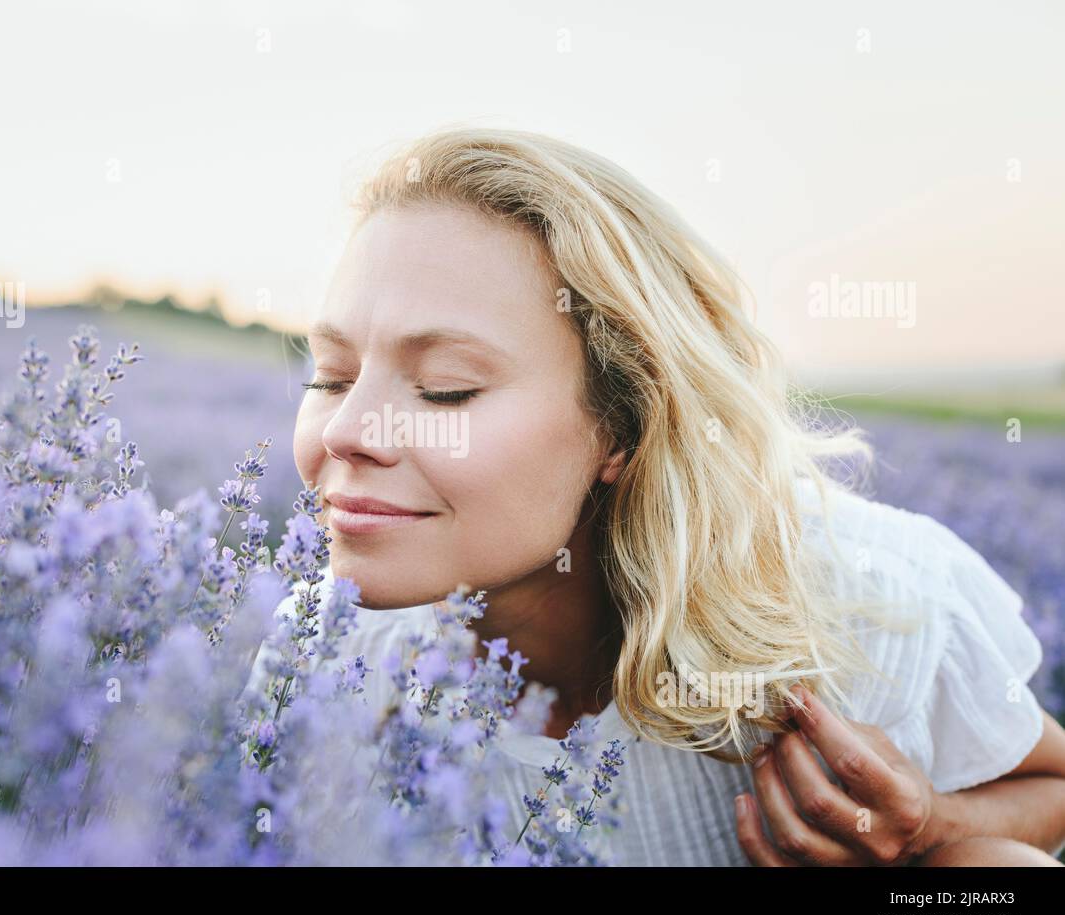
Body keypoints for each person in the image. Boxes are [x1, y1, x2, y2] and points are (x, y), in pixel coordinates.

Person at [248, 126, 1065, 866]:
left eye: (445, 390)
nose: (347, 433)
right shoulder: (323, 651)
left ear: (623, 429)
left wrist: (927, 829)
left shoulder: (862, 601)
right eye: (332, 376)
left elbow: (1050, 793)